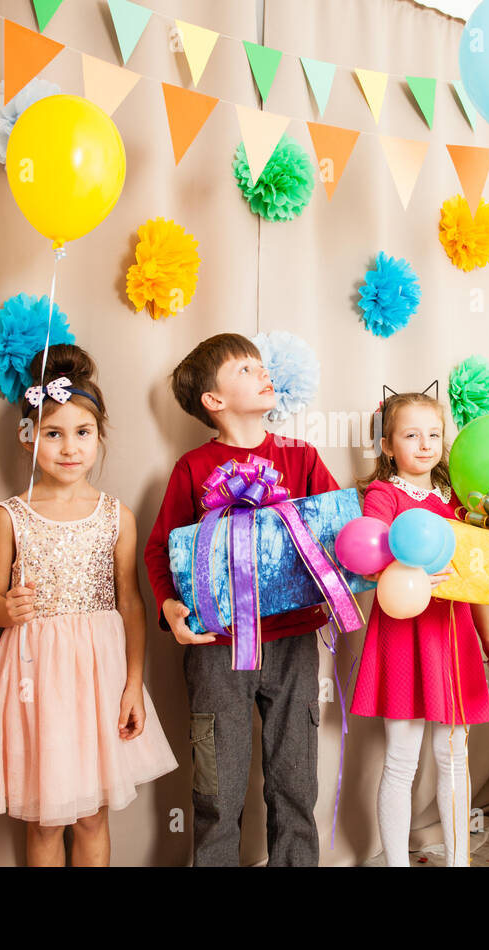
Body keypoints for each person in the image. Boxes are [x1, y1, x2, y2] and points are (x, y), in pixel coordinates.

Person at [0, 345, 177, 866]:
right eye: (52, 433)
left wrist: (132, 683)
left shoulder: (116, 516)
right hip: (35, 680)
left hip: (98, 675)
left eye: (82, 433)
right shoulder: (9, 515)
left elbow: (129, 603)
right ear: (28, 440)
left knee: (92, 815)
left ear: (98, 436)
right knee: (45, 818)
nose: (68, 447)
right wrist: (5, 608)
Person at [143, 333, 334, 866]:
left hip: (294, 643)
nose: (263, 372)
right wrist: (168, 607)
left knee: (296, 784)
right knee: (215, 792)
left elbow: (340, 532)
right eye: (246, 369)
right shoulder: (191, 468)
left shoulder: (303, 458)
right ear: (214, 400)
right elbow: (160, 549)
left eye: (260, 365)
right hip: (214, 649)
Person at [350, 390, 489, 866]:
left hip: (454, 633)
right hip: (403, 634)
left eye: (434, 434)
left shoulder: (458, 501)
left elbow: (470, 577)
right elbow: (369, 559)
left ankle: (459, 861)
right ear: (386, 445)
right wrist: (410, 572)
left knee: (453, 756)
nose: (425, 444)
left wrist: (486, 634)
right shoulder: (383, 494)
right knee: (401, 757)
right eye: (411, 434)